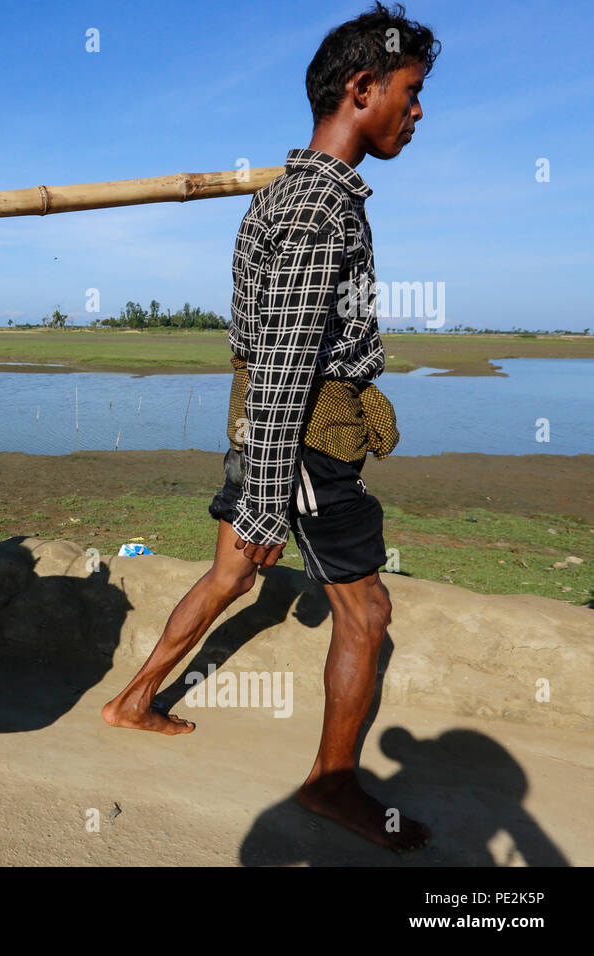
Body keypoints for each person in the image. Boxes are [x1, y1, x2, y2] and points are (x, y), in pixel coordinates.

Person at [102, 3, 438, 853]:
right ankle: (331, 785)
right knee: (367, 614)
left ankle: (133, 699)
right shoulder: (316, 210)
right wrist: (263, 498)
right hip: (306, 442)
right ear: (363, 89)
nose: (419, 110)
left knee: (231, 577)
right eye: (411, 90)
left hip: (267, 432)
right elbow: (290, 364)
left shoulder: (290, 197)